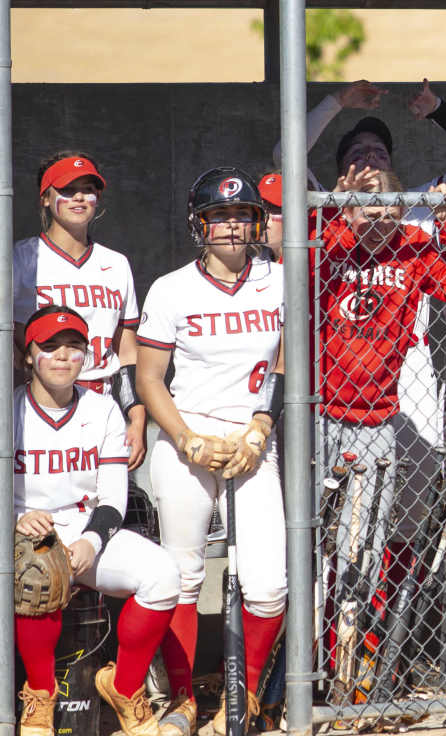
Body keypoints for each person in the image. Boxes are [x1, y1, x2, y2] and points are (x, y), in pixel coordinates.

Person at [136, 168, 286, 736]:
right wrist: (186, 439)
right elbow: (150, 377)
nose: (230, 226)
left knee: (269, 582)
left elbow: (286, 359)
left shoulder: (277, 279)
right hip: (187, 432)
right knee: (181, 574)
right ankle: (180, 699)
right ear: (199, 224)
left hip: (253, 435)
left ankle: (239, 697)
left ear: (256, 222)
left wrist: (259, 429)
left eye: (241, 215)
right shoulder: (172, 287)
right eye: (219, 217)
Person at [312, 178, 446, 702]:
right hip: (317, 416)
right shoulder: (330, 242)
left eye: (387, 211)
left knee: (363, 553)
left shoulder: (413, 246)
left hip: (378, 420)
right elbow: (306, 267)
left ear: (402, 211)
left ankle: (351, 673)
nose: (376, 221)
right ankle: (302, 671)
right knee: (310, 550)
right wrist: (338, 211)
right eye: (366, 211)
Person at [15, 305, 181, 736]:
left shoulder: (103, 409)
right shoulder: (8, 409)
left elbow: (113, 497)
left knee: (163, 574)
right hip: (24, 530)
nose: (63, 357)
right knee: (38, 569)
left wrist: (91, 541)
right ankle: (39, 699)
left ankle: (123, 687)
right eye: (49, 348)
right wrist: (14, 518)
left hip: (84, 528)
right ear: (27, 355)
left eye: (73, 348)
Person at [14, 152, 148, 469]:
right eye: (66, 188)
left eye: (88, 189)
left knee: (106, 505)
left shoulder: (115, 264)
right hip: (39, 404)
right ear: (45, 198)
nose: (79, 197)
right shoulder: (20, 260)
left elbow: (126, 351)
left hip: (101, 403)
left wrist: (136, 414)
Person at [272, 78, 446, 194]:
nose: (370, 156)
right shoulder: (326, 201)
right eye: (357, 153)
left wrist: (439, 111)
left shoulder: (418, 202)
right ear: (341, 170)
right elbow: (284, 156)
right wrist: (336, 102)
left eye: (380, 152)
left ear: (392, 168)